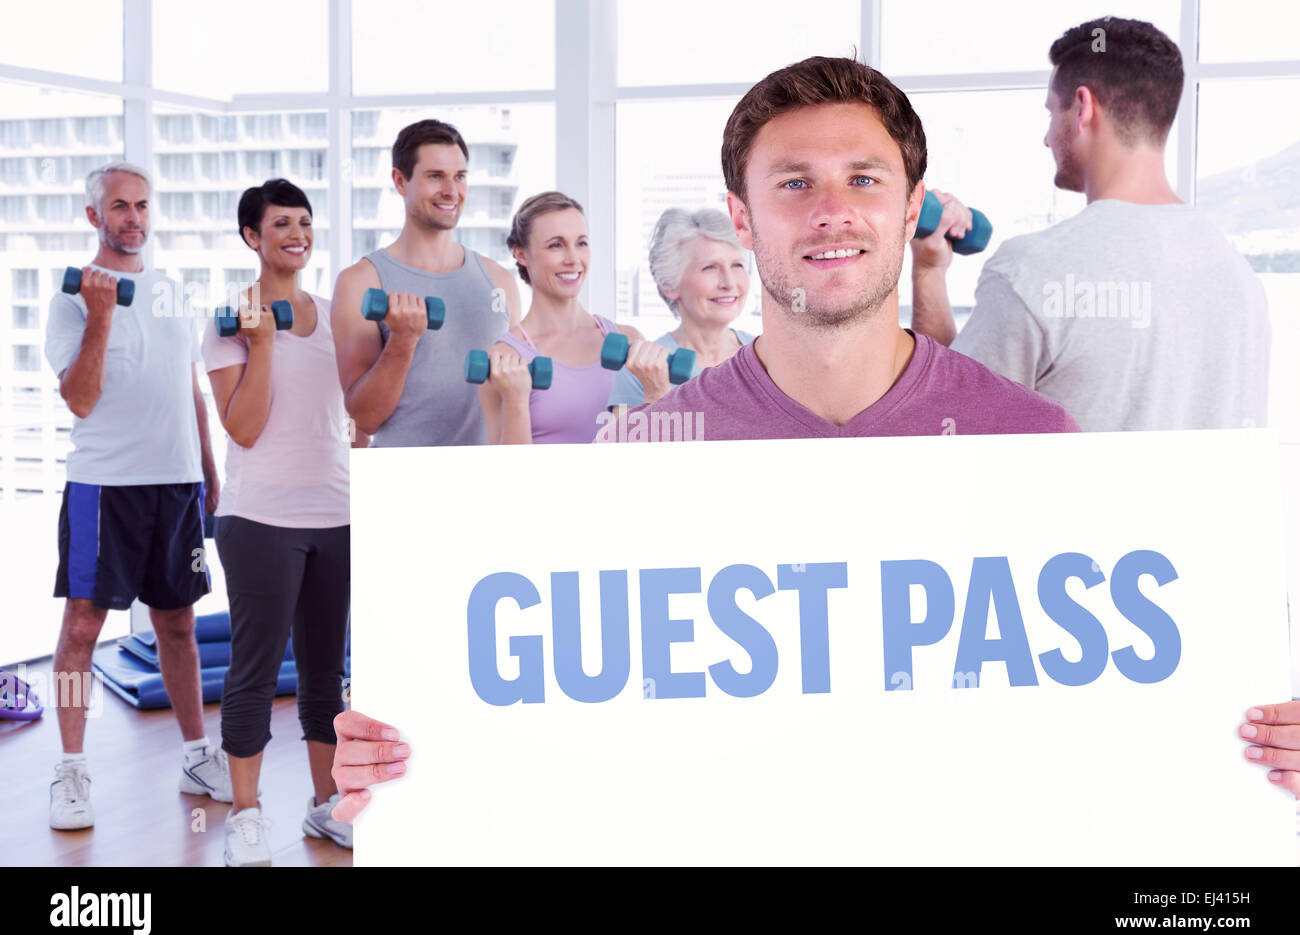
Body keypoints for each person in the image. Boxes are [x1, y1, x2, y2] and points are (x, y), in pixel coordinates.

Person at [329, 56, 1297, 817]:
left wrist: (1253, 742)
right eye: (793, 184)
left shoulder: (1032, 444)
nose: (831, 209)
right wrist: (426, 749)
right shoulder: (636, 465)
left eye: (863, 178)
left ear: (910, 208)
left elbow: (1123, 715)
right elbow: (550, 723)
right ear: (745, 221)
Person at [909, 17, 1270, 432]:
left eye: (1051, 112)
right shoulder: (1239, 280)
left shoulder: (1035, 269)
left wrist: (927, 273)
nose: (1047, 138)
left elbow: (942, 427)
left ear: (1082, 108)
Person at [44, 162, 226, 830]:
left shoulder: (173, 291)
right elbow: (81, 397)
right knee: (83, 629)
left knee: (177, 621)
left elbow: (191, 387)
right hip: (104, 486)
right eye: (119, 206)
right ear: (94, 216)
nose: (134, 218)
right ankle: (70, 771)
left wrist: (209, 468)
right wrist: (99, 314)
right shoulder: (71, 297)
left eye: (143, 205)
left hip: (174, 483)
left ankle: (197, 755)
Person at [202, 179, 358, 866]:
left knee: (326, 674)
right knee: (255, 673)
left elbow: (351, 419)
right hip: (260, 518)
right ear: (252, 238)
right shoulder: (227, 321)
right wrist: (262, 344)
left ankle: (325, 805)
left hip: (336, 515)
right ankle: (246, 814)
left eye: (304, 221)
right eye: (280, 223)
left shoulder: (333, 318)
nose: (296, 233)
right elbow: (242, 426)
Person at [331, 119, 522, 447]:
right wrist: (402, 340)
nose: (451, 191)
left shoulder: (500, 281)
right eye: (436, 176)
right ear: (400, 181)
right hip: (405, 485)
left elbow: (518, 399)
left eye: (459, 177)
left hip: (488, 485)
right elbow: (365, 417)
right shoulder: (360, 282)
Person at [477, 191, 654, 444]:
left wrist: (656, 391)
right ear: (521, 254)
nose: (573, 259)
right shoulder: (502, 361)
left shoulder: (630, 341)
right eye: (556, 245)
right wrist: (516, 400)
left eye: (581, 243)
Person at [603, 207, 753, 418]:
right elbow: (624, 451)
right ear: (669, 285)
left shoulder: (769, 357)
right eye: (710, 267)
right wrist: (656, 394)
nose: (729, 283)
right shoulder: (638, 369)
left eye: (737, 265)